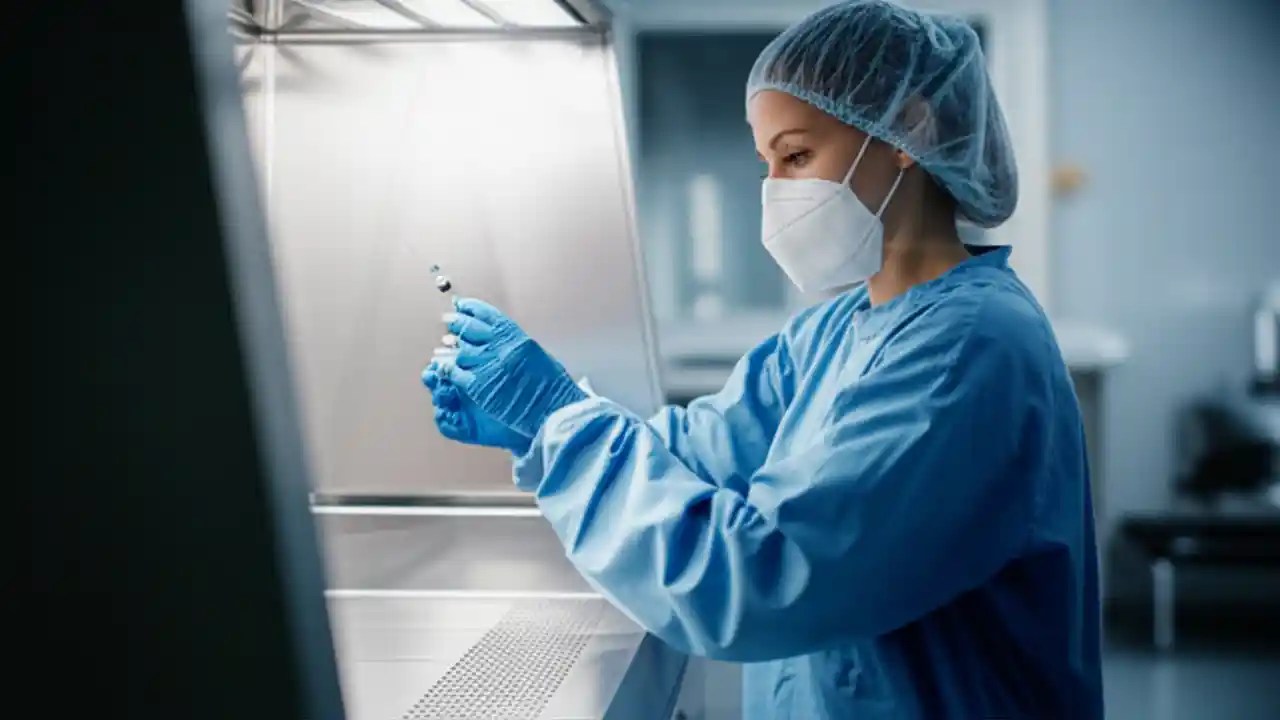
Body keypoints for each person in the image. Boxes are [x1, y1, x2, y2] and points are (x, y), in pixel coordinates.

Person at [422, 1, 1102, 717]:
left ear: (910, 129)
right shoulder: (838, 331)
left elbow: (763, 579)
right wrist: (543, 425)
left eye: (798, 156)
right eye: (767, 164)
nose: (777, 190)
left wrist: (562, 421)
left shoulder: (968, 349)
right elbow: (701, 452)